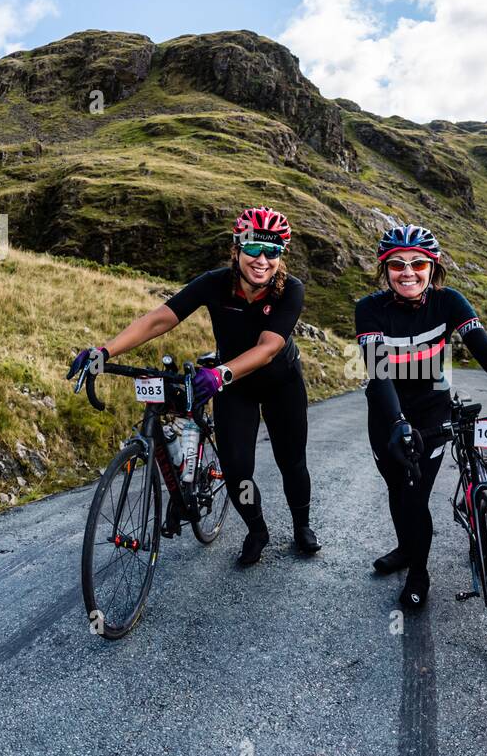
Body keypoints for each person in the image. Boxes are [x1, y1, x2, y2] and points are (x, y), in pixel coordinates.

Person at [68, 207, 320, 565]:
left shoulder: (289, 290)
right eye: (252, 249)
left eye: (272, 252)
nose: (261, 260)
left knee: (291, 461)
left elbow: (268, 348)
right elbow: (159, 319)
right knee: (236, 470)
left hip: (280, 383)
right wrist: (104, 351)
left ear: (281, 257)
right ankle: (257, 530)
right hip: (237, 388)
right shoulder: (215, 283)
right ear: (236, 250)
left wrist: (220, 373)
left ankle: (302, 525)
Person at [354, 224, 487, 610]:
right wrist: (397, 423)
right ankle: (404, 548)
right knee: (398, 491)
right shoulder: (369, 310)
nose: (407, 272)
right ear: (385, 269)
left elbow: (484, 349)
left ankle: (419, 572)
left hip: (431, 410)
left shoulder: (449, 302)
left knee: (414, 496)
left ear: (433, 266)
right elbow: (378, 374)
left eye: (417, 263)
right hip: (387, 413)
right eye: (397, 264)